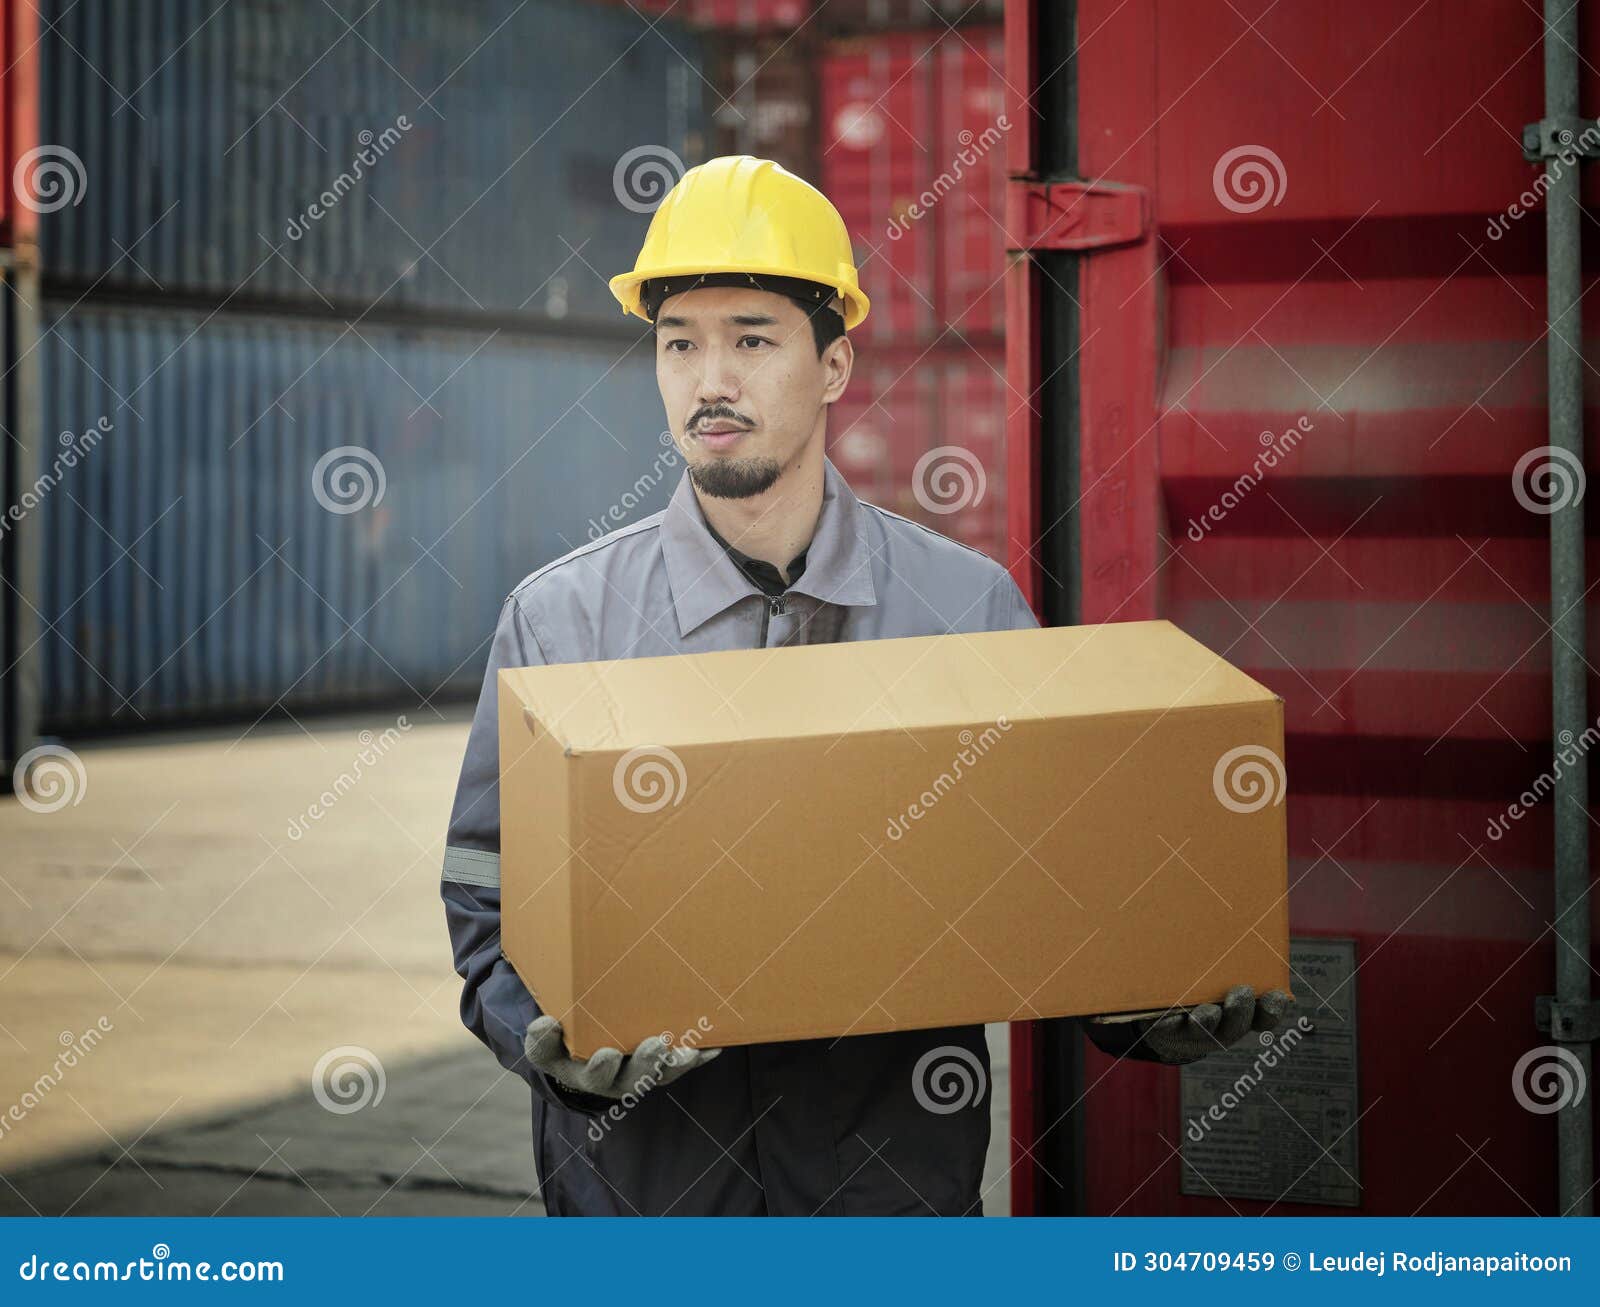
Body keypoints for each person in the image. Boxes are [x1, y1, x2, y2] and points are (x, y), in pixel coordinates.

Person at [440, 155, 1290, 1216]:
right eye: (679, 345)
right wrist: (550, 1041)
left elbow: (1064, 892)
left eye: (751, 339)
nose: (710, 381)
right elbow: (485, 889)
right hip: (643, 1213)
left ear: (834, 364)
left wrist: (1149, 1006)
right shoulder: (561, 620)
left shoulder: (960, 607)